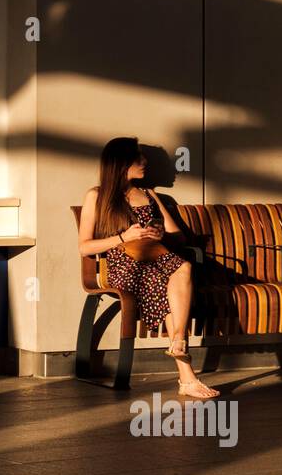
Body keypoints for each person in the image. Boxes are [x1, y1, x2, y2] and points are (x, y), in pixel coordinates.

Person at [78, 137, 219, 398]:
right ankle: (187, 377)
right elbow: (85, 247)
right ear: (121, 163)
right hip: (125, 266)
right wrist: (124, 237)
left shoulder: (148, 194)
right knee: (161, 280)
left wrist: (159, 234)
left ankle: (178, 341)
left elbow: (179, 238)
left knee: (184, 267)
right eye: (138, 158)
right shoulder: (96, 196)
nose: (144, 162)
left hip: (159, 258)